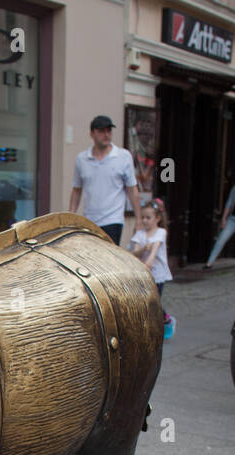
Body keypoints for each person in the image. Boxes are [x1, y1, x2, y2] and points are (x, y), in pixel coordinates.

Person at [69, 115, 140, 245]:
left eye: (109, 131)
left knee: (108, 260)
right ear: (92, 134)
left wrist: (139, 220)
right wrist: (70, 216)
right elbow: (76, 189)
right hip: (89, 220)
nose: (106, 135)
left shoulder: (123, 156)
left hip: (113, 219)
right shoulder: (82, 159)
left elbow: (132, 189)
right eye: (101, 131)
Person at [129, 198, 175, 339]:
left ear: (157, 218)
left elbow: (153, 254)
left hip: (157, 275)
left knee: (153, 303)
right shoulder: (140, 234)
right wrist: (143, 249)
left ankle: (165, 321)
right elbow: (134, 253)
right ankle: (145, 330)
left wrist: (146, 262)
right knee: (143, 302)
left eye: (148, 217)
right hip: (142, 275)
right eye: (142, 217)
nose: (145, 220)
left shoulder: (160, 232)